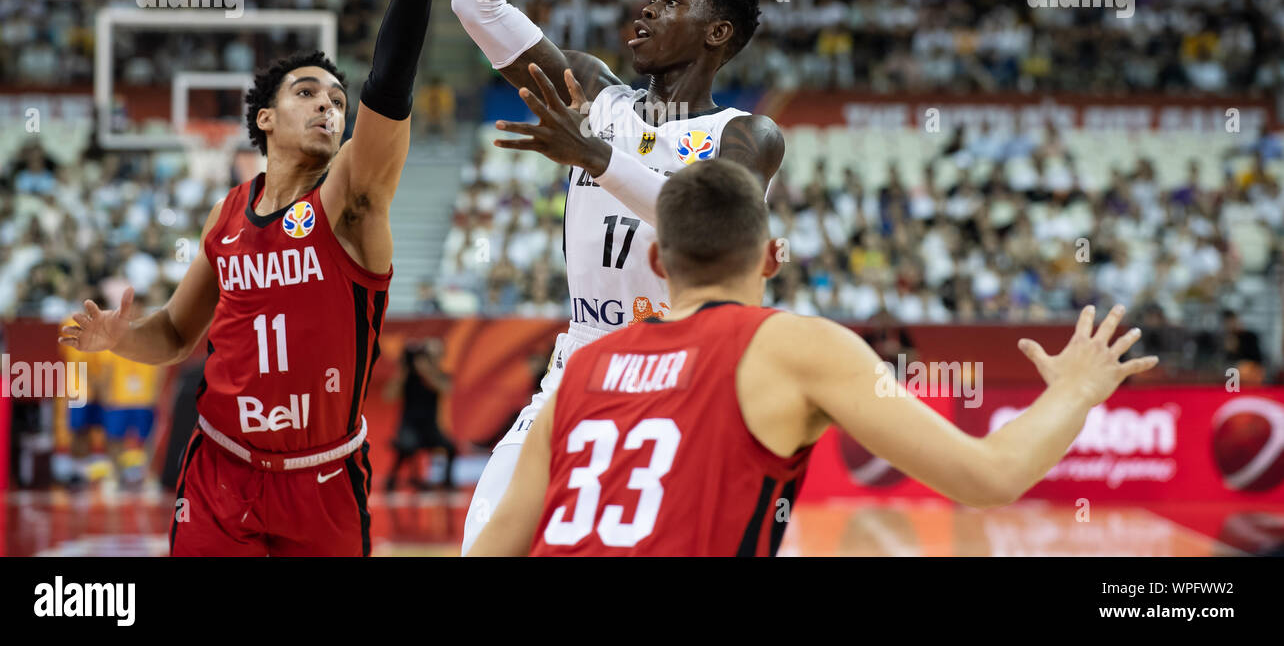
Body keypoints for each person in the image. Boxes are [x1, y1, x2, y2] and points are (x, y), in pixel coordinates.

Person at [468, 160, 1159, 556]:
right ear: (772, 257)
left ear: (657, 258)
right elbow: (990, 476)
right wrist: (1077, 387)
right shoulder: (795, 346)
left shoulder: (578, 371)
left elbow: (494, 550)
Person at [58, 0, 445, 556]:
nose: (328, 106)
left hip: (322, 480)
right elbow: (176, 335)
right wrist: (121, 339)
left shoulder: (351, 204)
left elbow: (387, 89)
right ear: (264, 120)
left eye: (334, 99)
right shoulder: (227, 214)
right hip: (220, 470)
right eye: (307, 94)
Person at [452, 0, 786, 553]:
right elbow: (476, 6)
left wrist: (597, 157)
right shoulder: (594, 93)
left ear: (717, 34)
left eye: (672, 2)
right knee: (485, 545)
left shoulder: (744, 134)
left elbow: (704, 222)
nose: (646, 8)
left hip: (682, 379)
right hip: (580, 360)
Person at [385, 338, 457, 492]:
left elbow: (445, 388)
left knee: (450, 447)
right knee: (407, 446)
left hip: (430, 426)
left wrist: (426, 372)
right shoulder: (409, 378)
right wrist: (403, 372)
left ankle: (447, 481)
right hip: (409, 425)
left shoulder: (441, 375)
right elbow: (388, 396)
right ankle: (392, 479)